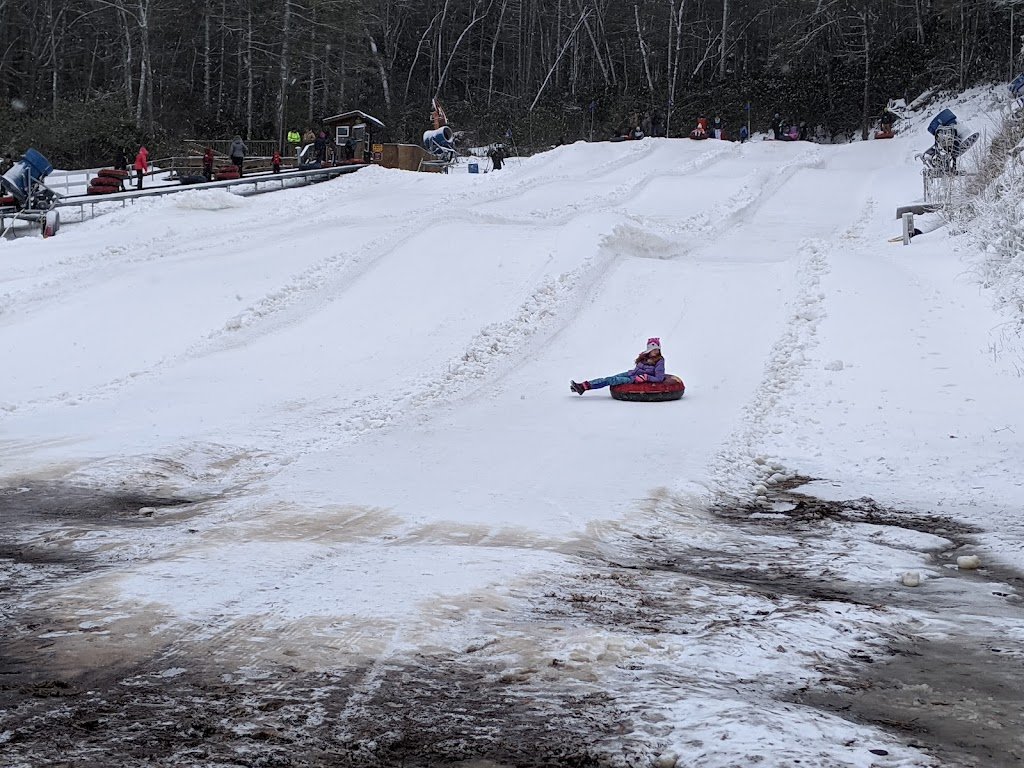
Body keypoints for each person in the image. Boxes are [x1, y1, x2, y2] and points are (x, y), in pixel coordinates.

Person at [570, 337, 665, 395]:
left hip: (635, 379)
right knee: (609, 378)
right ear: (649, 350)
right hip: (631, 373)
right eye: (654, 349)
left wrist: (646, 377)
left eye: (657, 350)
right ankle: (582, 386)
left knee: (611, 380)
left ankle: (583, 387)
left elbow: (659, 378)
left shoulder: (659, 361)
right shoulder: (644, 356)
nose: (656, 352)